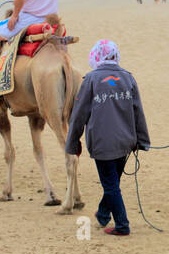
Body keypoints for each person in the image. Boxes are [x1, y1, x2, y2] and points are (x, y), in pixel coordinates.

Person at [64, 39, 150, 237]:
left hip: (103, 144)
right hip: (125, 142)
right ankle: (103, 214)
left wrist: (72, 142)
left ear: (96, 56)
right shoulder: (128, 79)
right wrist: (141, 140)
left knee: (110, 185)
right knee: (113, 183)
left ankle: (122, 224)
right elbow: (138, 112)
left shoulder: (91, 80)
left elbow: (78, 115)